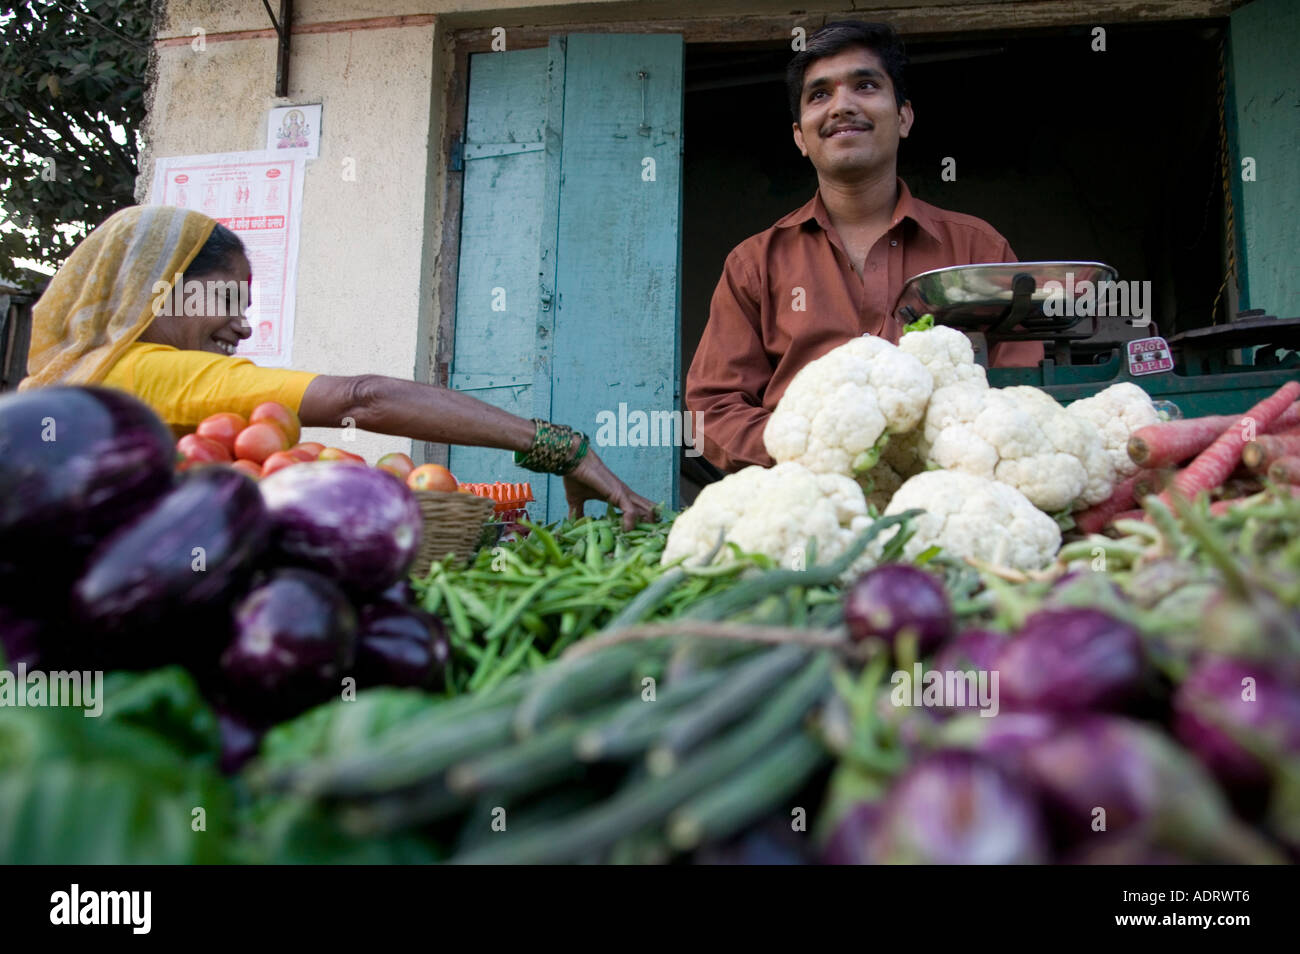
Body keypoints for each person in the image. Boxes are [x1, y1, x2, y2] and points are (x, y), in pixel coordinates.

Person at [20, 205, 656, 529]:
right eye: (227, 299)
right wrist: (557, 446)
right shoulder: (137, 374)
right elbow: (363, 398)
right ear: (158, 292)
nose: (243, 326)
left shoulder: (81, 381)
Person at [685, 21, 1044, 474]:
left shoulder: (979, 249)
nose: (842, 106)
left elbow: (1028, 392)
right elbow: (711, 409)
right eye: (819, 95)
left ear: (905, 117)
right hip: (805, 502)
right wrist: (813, 455)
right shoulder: (754, 265)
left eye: (865, 85)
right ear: (800, 136)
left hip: (950, 492)